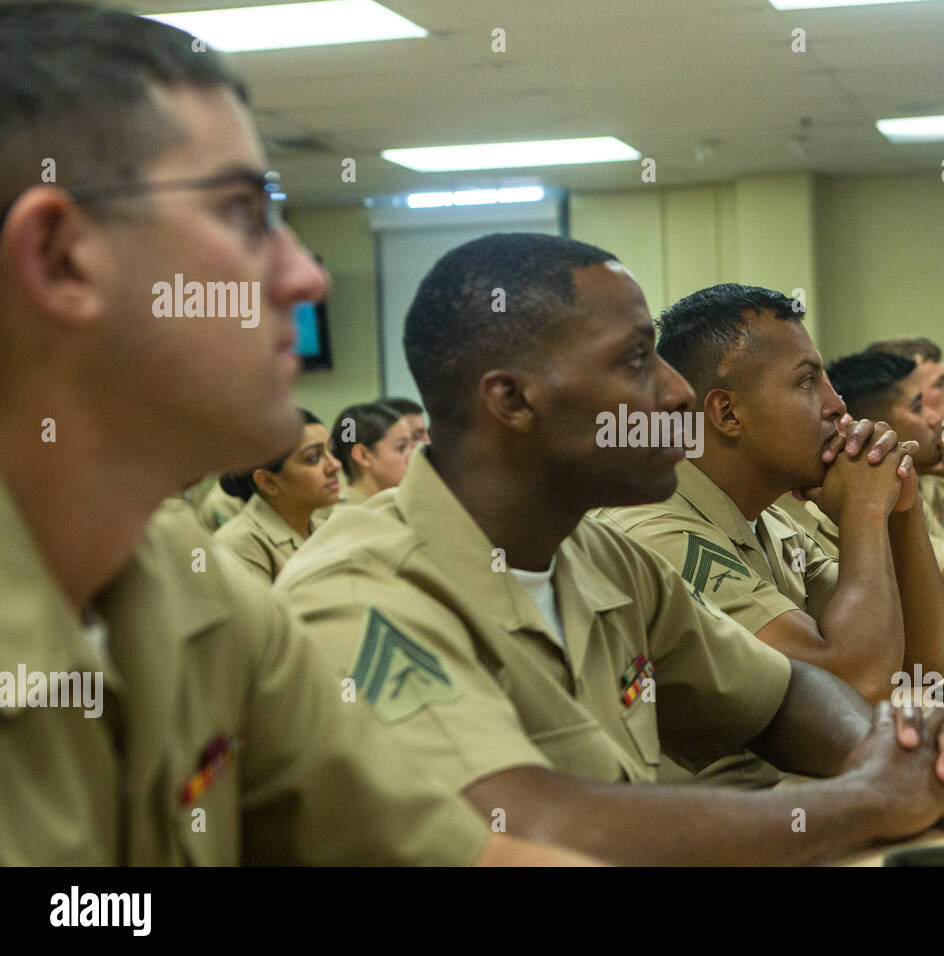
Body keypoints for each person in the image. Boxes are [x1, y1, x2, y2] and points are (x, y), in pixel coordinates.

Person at [0, 0, 587, 866]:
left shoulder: (185, 590)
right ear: (59, 259)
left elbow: (455, 859)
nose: (307, 275)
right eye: (243, 213)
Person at [277, 232, 944, 865]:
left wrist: (899, 752)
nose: (678, 394)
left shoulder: (599, 557)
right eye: (636, 361)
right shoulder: (360, 588)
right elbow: (522, 825)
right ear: (513, 401)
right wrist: (866, 800)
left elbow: (785, 695)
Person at [596, 284, 944, 713]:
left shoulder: (771, 524)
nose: (837, 406)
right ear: (727, 413)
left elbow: (919, 661)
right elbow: (856, 680)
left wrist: (902, 510)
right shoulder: (655, 533)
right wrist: (866, 508)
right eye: (806, 382)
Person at [828, 351, 944, 612]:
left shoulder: (907, 484)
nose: (935, 419)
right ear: (872, 426)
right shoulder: (862, 495)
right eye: (917, 407)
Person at [214, 409, 340, 582]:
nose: (335, 465)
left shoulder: (324, 529)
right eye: (313, 458)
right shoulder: (239, 544)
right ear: (268, 482)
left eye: (330, 451)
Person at [329, 401, 414, 505]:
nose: (412, 456)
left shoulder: (395, 504)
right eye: (401, 448)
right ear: (363, 456)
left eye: (411, 446)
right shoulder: (349, 517)